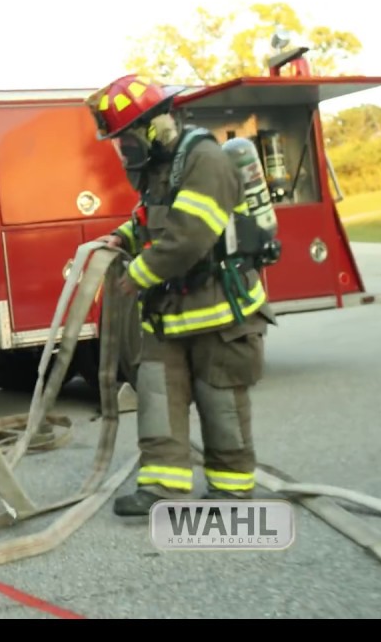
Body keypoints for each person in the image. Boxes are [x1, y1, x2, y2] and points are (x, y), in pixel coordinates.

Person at [84, 73, 275, 517]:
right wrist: (122, 237)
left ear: (154, 128)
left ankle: (231, 489)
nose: (123, 150)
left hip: (221, 312)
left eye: (125, 139)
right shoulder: (161, 167)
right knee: (156, 395)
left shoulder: (204, 160)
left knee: (221, 404)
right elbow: (153, 219)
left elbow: (190, 235)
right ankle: (162, 486)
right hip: (170, 312)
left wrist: (138, 273)